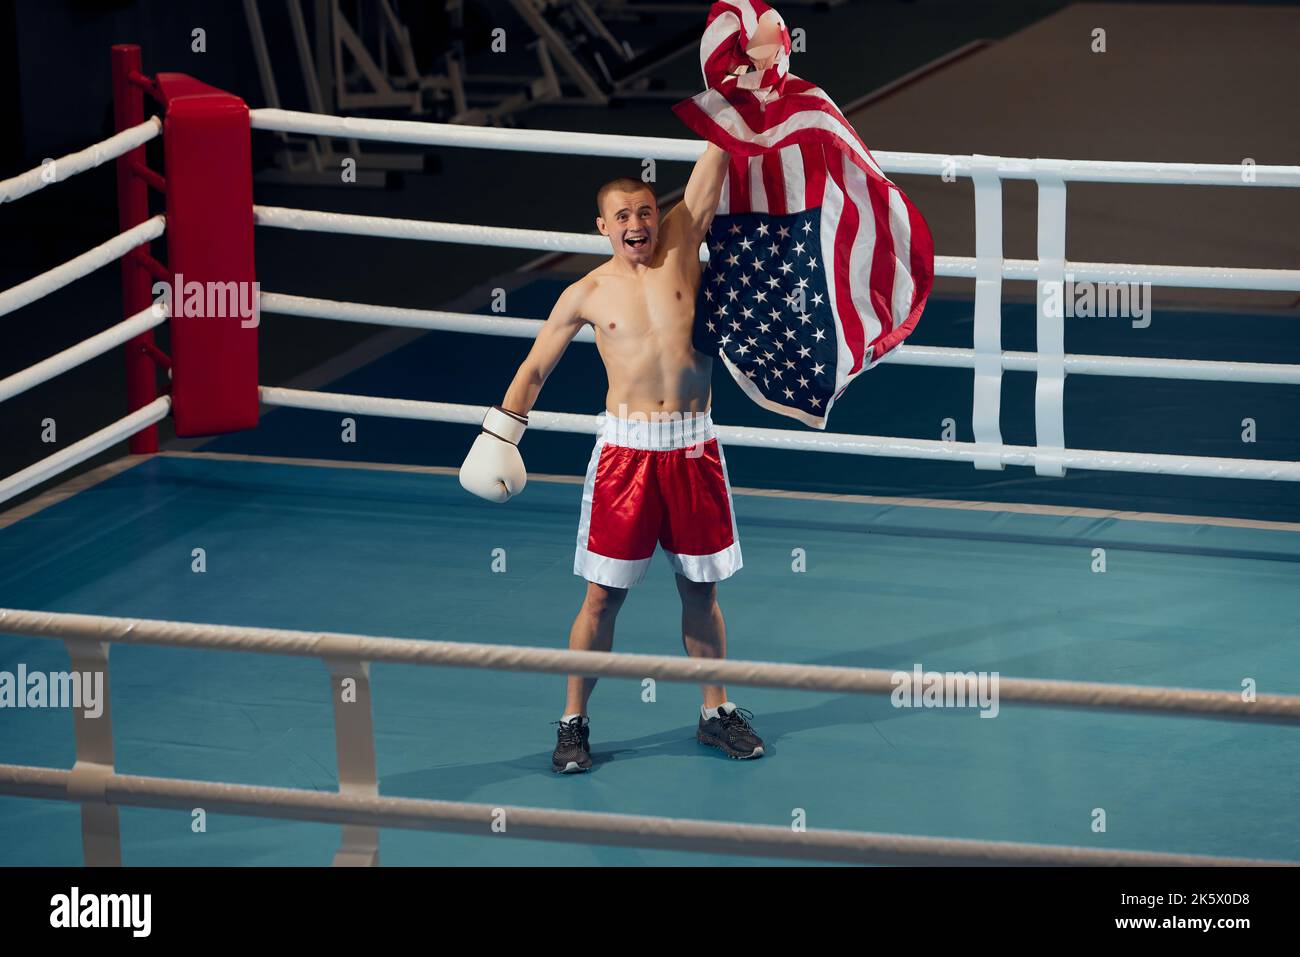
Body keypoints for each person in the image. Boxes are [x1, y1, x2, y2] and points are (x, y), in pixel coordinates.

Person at [458, 143, 765, 772]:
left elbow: (712, 170)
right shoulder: (585, 293)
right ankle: (573, 724)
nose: (637, 225)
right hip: (627, 457)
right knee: (602, 600)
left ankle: (715, 712)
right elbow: (535, 366)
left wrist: (736, 90)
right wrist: (500, 434)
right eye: (622, 216)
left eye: (646, 212)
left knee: (701, 592)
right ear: (602, 227)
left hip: (692, 446)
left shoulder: (682, 252)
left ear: (661, 215)